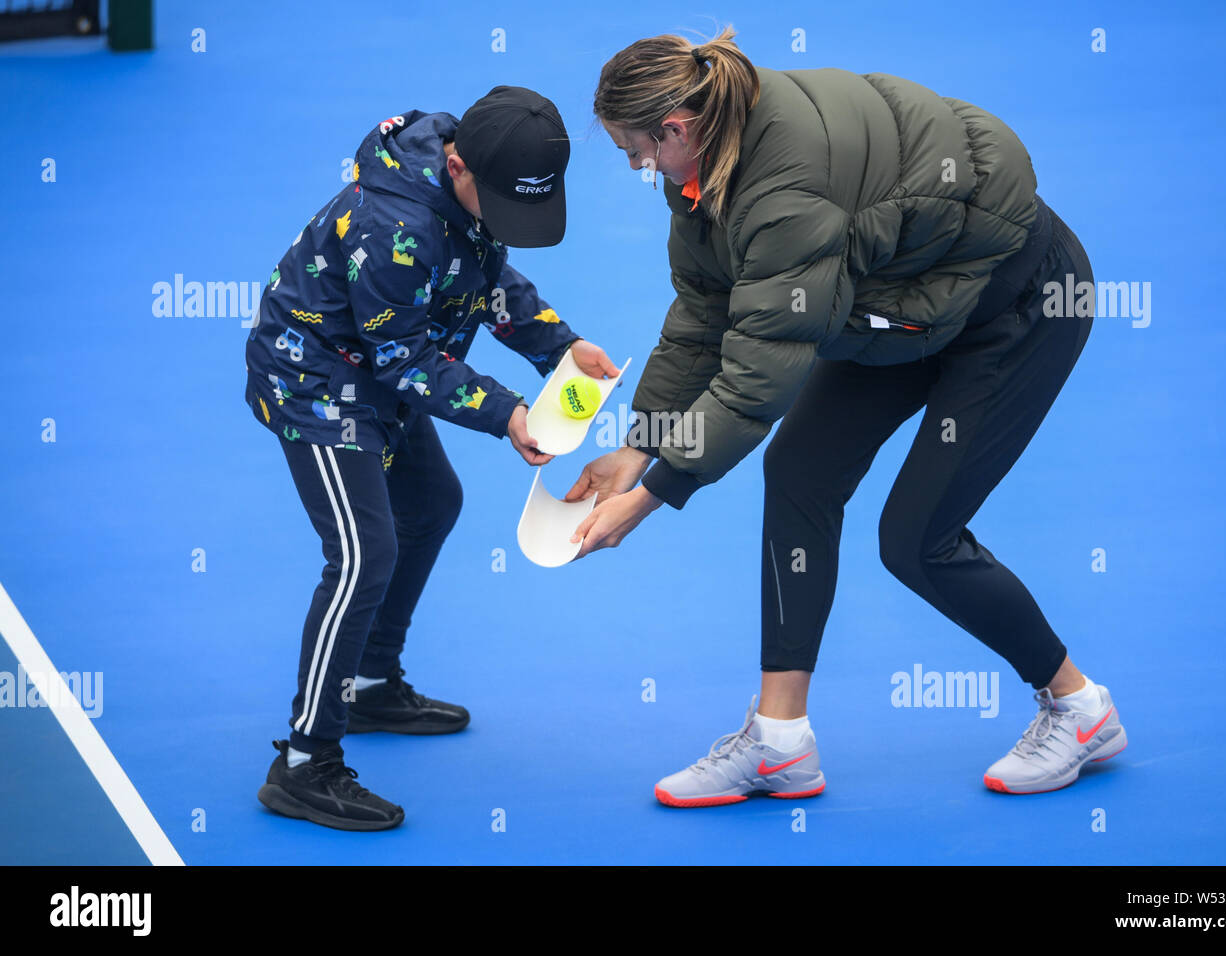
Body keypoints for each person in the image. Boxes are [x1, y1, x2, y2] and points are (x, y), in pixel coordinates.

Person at [567, 28, 1128, 807]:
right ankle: (781, 743)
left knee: (917, 541)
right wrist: (640, 442)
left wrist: (652, 494)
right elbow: (706, 306)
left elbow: (757, 373)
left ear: (677, 126)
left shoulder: (783, 191)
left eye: (639, 152)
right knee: (800, 471)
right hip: (904, 305)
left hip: (1015, 304)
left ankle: (1081, 709)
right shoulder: (706, 156)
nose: (641, 169)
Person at [245, 87, 621, 830]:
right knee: (361, 556)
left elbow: (487, 282)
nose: (508, 226)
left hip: (378, 372)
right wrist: (505, 411)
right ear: (456, 165)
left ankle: (372, 681)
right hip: (317, 382)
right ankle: (302, 763)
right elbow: (404, 357)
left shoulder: (471, 188)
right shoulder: (391, 226)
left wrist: (558, 347)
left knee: (431, 506)